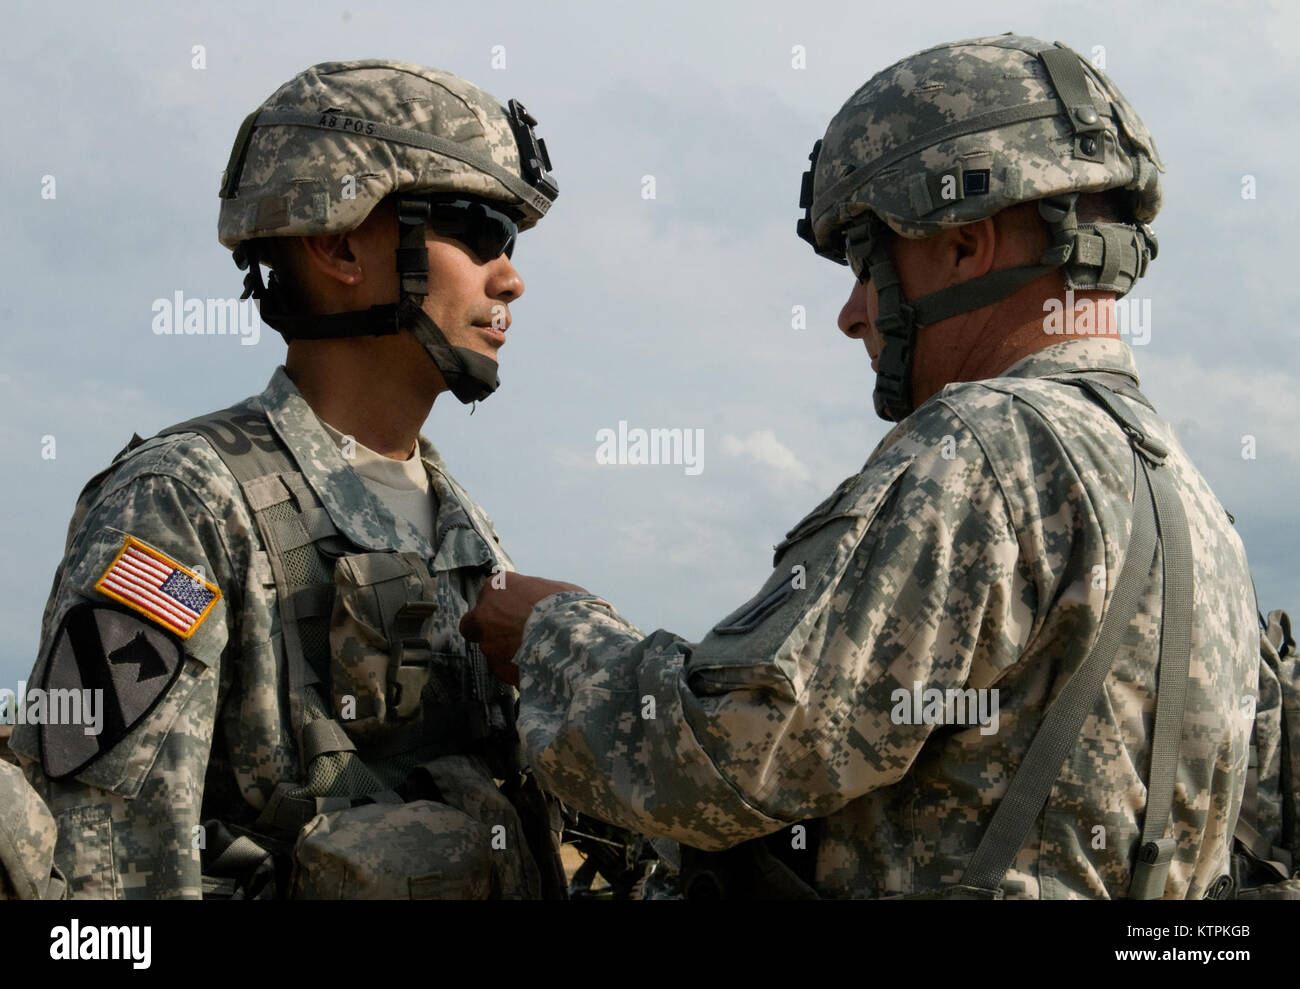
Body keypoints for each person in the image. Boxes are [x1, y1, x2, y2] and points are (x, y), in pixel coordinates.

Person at [460, 33, 1260, 899]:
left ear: (964, 244)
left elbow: (737, 756)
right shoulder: (1191, 498)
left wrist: (551, 638)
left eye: (868, 265)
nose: (852, 314)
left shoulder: (987, 448)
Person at [11, 59, 567, 899]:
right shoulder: (183, 504)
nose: (510, 277)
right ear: (340, 242)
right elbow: (106, 875)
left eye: (511, 243)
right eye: (478, 230)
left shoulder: (463, 527)